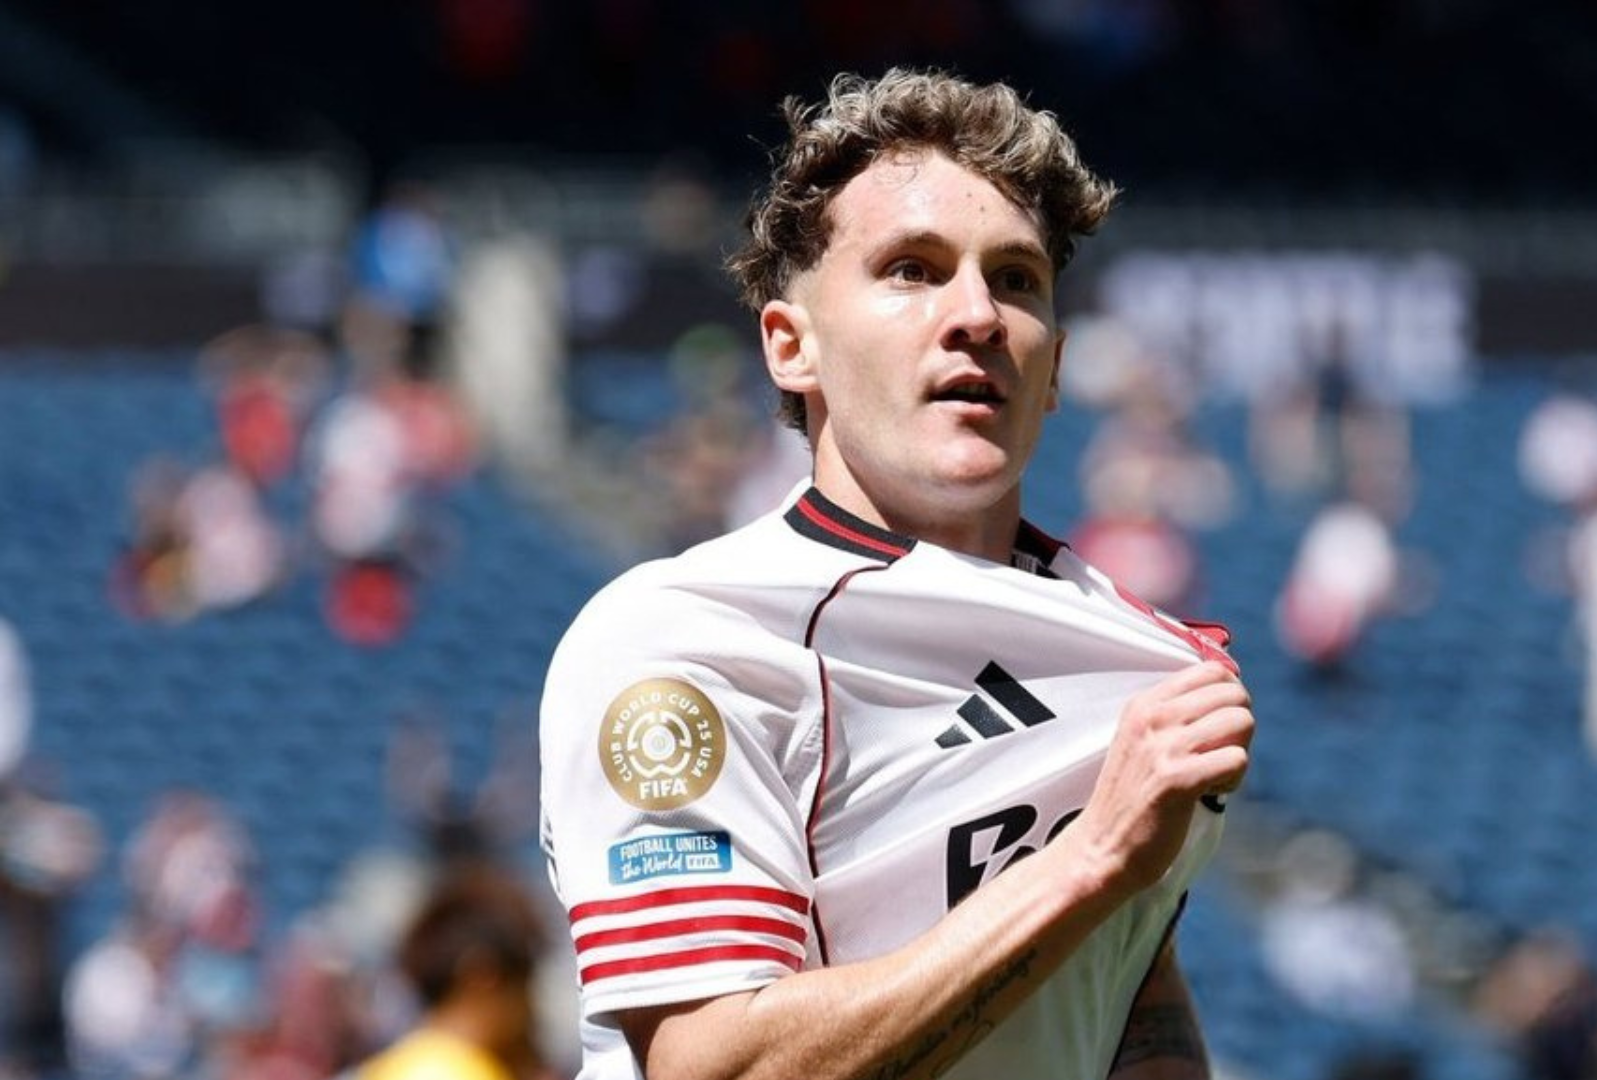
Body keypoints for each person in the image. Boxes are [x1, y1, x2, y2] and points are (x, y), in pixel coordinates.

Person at [538, 68, 1256, 1080]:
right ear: (792, 348)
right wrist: (1090, 858)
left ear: (1054, 367)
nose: (978, 315)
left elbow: (1128, 982)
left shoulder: (1131, 655)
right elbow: (715, 1067)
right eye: (913, 270)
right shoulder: (688, 640)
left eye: (1016, 279)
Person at [341, 867, 551, 1080]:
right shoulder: (458, 1071)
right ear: (483, 976)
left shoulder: (389, 1066)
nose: (531, 1010)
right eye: (525, 981)